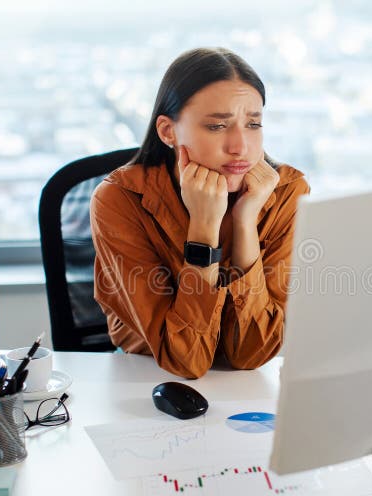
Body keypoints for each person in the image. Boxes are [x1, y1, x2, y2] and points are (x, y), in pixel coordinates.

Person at [91, 48, 310, 378]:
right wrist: (205, 227)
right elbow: (185, 360)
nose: (240, 146)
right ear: (168, 132)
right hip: (145, 380)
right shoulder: (120, 199)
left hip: (244, 392)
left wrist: (245, 222)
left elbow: (252, 353)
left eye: (253, 124)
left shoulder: (286, 193)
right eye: (217, 126)